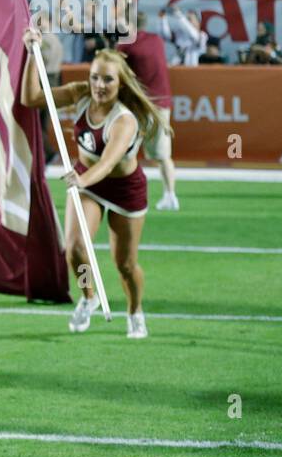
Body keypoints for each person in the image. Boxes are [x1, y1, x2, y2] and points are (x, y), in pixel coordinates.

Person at [20, 27, 171, 339]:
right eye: (95, 77)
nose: (99, 85)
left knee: (125, 265)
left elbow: (107, 163)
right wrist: (31, 54)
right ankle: (89, 297)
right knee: (74, 248)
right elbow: (32, 98)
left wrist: (81, 178)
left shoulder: (125, 119)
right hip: (87, 184)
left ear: (120, 82)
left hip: (123, 189)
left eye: (107, 79)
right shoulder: (81, 94)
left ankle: (135, 311)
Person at [120, 10, 179, 210]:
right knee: (163, 156)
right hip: (161, 104)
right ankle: (171, 195)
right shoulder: (157, 40)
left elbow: (118, 74)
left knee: (124, 152)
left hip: (139, 107)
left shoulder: (127, 45)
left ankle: (126, 193)